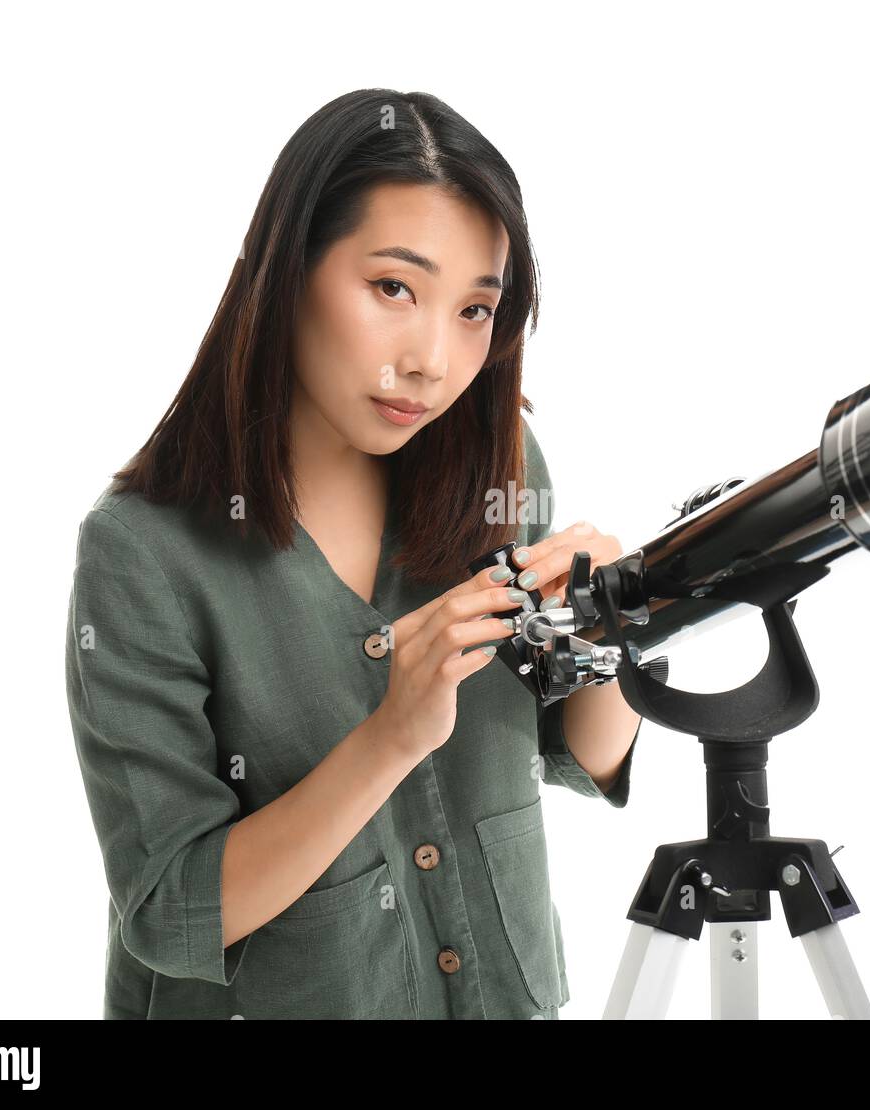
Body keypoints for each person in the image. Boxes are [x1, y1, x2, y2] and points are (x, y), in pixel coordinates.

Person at [64, 88, 642, 1020]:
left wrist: (611, 621)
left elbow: (577, 753)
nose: (431, 360)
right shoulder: (142, 552)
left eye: (474, 310)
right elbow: (172, 911)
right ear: (286, 272)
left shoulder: (504, 469)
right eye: (393, 289)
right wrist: (392, 735)